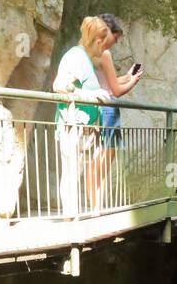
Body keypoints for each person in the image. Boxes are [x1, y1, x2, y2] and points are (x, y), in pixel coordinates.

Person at [53, 16, 111, 217]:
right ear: (97, 41)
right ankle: (71, 219)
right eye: (103, 45)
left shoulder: (85, 59)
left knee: (75, 173)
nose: (104, 50)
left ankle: (74, 216)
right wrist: (88, 95)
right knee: (70, 174)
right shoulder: (77, 57)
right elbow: (59, 86)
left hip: (83, 130)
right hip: (73, 127)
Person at [93, 12, 143, 208]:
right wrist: (134, 81)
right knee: (104, 159)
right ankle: (97, 206)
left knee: (100, 157)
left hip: (99, 106)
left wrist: (128, 76)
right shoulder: (104, 53)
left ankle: (97, 205)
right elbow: (116, 90)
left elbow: (109, 81)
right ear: (107, 32)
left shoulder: (92, 52)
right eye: (115, 38)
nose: (115, 42)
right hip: (108, 109)